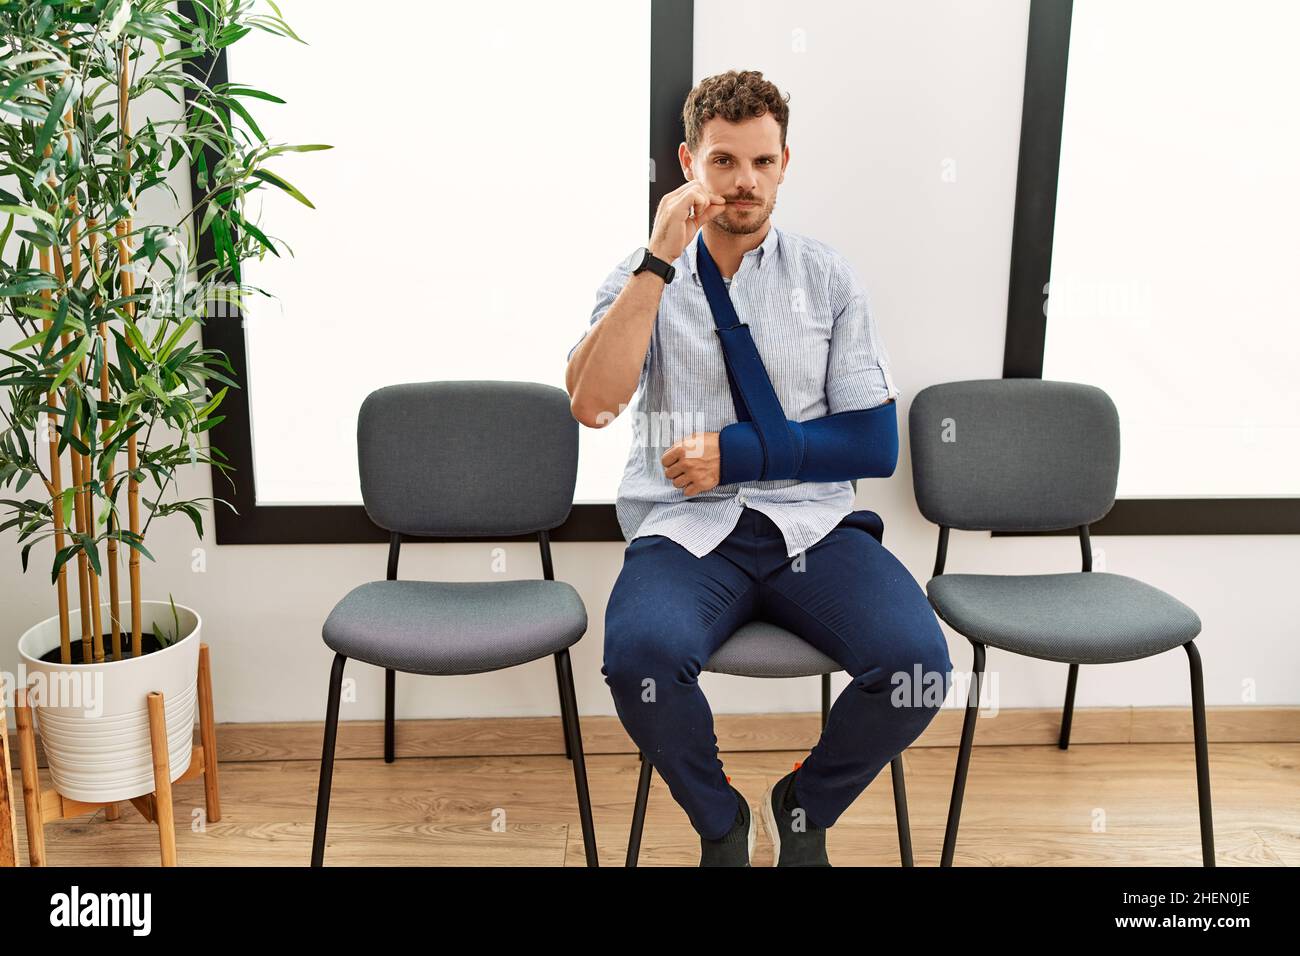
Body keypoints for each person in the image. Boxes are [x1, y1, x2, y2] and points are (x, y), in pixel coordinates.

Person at [565, 69, 953, 866]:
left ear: (785, 163)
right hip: (685, 528)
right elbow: (594, 405)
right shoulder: (640, 276)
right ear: (688, 163)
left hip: (813, 524)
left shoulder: (829, 277)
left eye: (762, 162)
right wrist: (656, 261)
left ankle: (802, 808)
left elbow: (874, 446)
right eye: (723, 161)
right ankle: (721, 822)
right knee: (639, 660)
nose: (744, 182)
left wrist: (737, 452)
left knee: (918, 665)